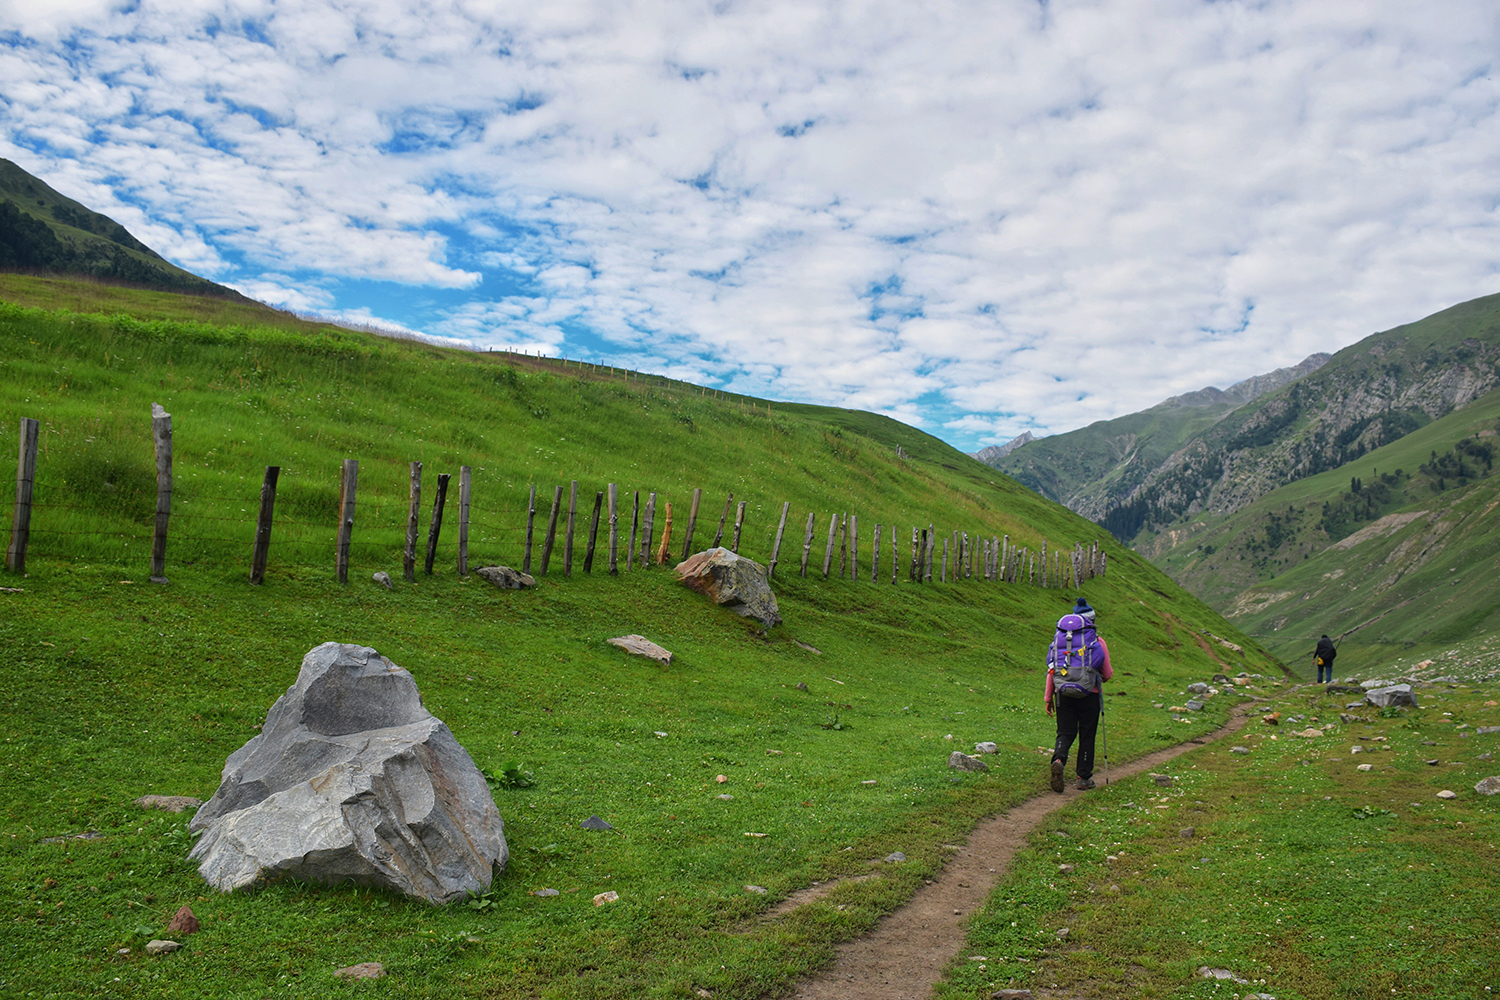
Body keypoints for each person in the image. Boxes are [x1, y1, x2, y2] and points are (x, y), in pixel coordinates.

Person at [1045, 599, 1113, 791]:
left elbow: (1053, 671)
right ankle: (1083, 778)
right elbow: (1107, 674)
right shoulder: (1097, 642)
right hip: (1088, 695)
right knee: (1087, 735)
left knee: (1065, 732)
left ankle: (1058, 759)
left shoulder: (1060, 641)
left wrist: (1048, 698)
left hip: (1062, 693)